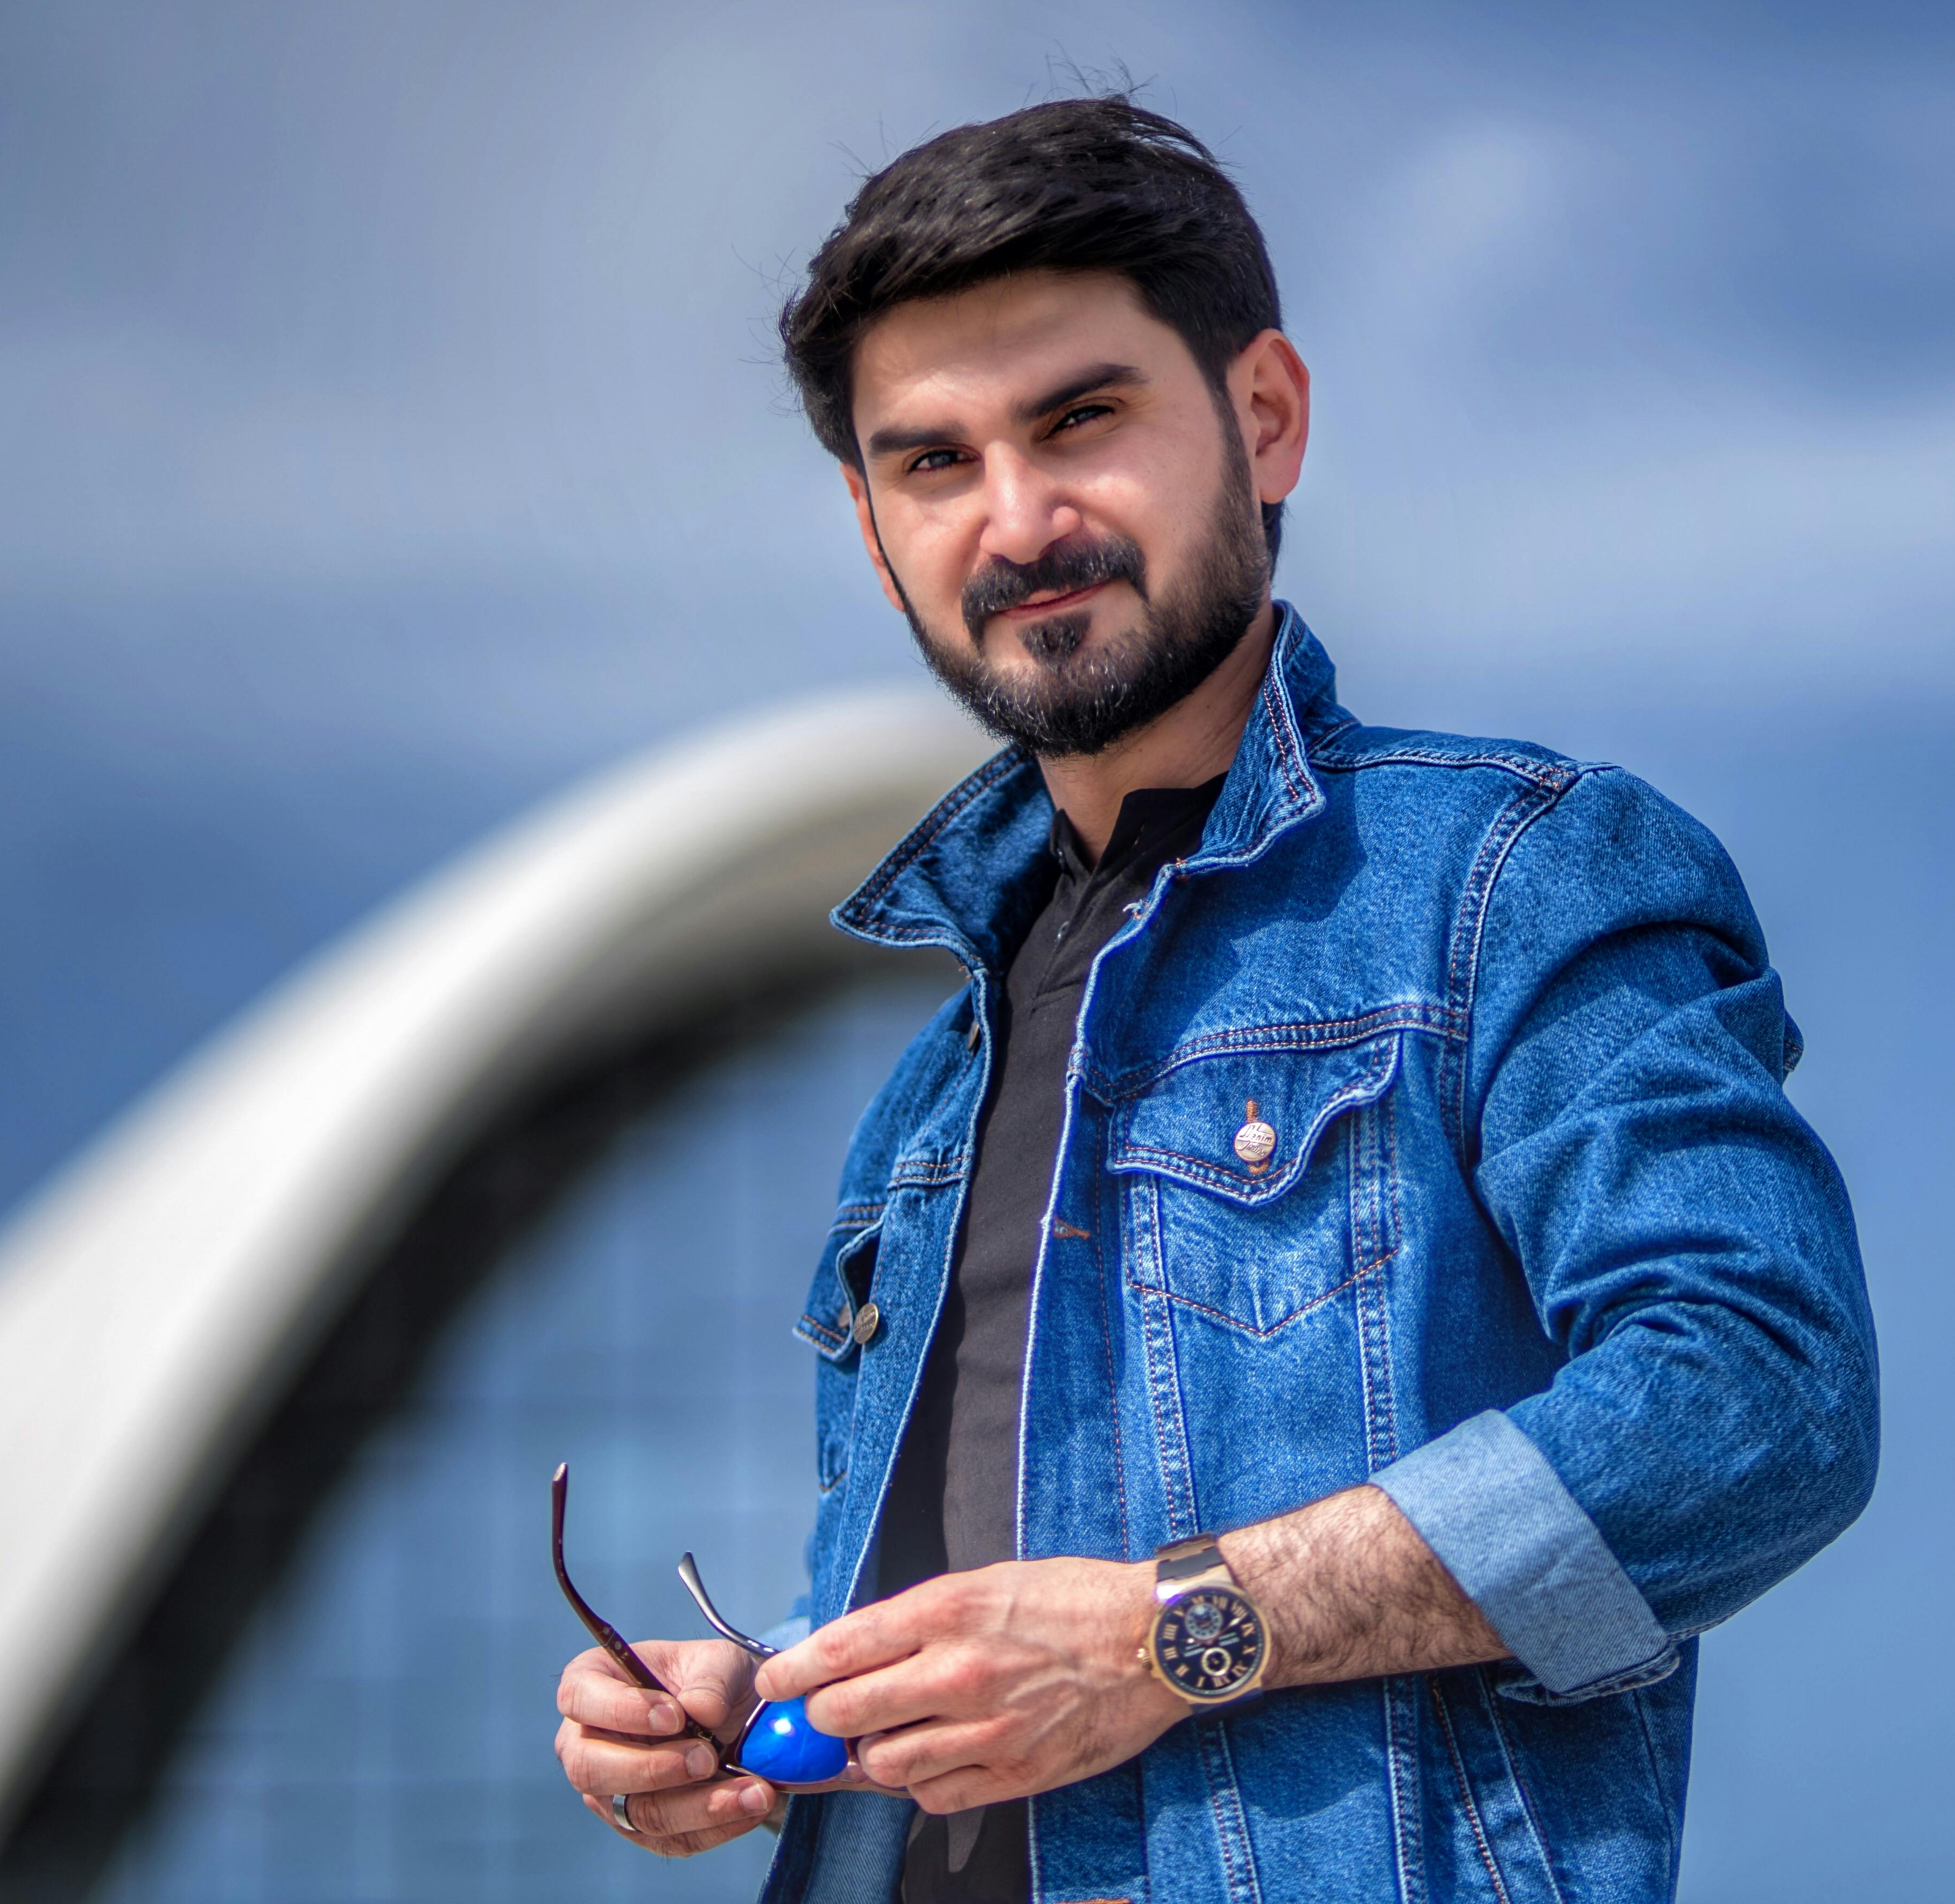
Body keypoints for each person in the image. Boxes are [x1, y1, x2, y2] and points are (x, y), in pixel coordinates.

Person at [552, 96, 1878, 1903]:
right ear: (872, 531)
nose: (1018, 521)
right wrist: (773, 1700)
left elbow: (1759, 1395)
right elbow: (1008, 1608)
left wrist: (1170, 1639)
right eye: (934, 464)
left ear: (1265, 418)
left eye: (1081, 420)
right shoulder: (932, 1092)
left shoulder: (1509, 877)